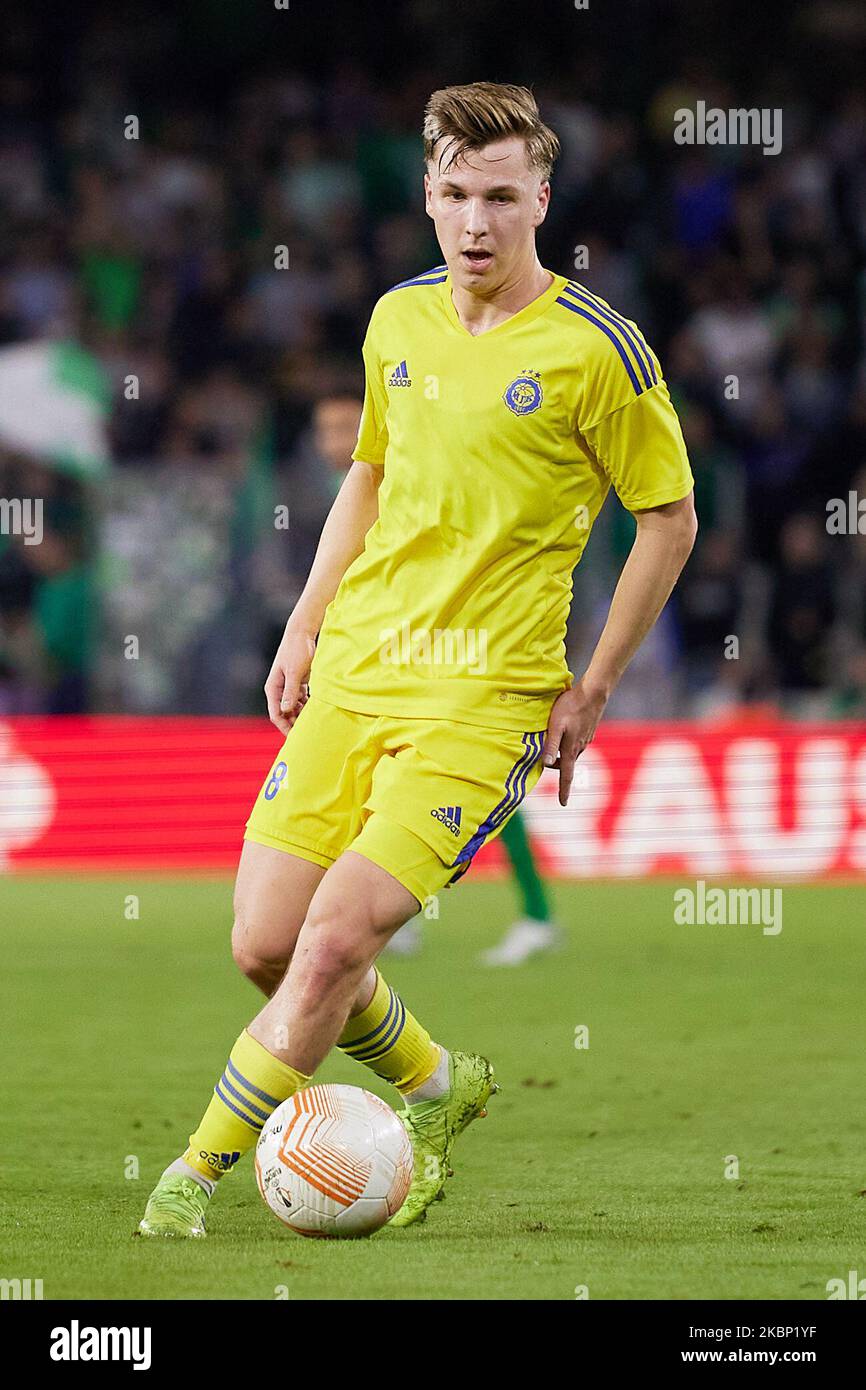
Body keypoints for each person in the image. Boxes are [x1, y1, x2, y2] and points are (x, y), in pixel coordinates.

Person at [139, 81, 697, 1237]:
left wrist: (591, 684)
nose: (476, 221)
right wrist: (303, 620)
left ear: (541, 198)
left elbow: (669, 517)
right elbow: (370, 475)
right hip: (357, 667)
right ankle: (442, 1088)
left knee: (338, 937)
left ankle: (188, 1178)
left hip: (485, 700)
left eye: (501, 195)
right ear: (426, 198)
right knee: (265, 945)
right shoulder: (396, 319)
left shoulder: (602, 350)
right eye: (453, 194)